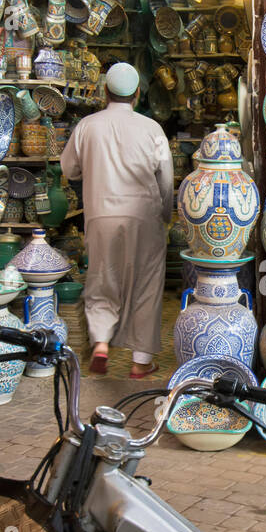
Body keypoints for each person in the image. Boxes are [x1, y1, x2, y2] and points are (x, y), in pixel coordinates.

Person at [60, 62, 173, 378]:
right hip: (144, 217)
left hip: (101, 216)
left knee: (102, 279)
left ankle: (101, 343)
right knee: (146, 286)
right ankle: (140, 362)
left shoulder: (87, 126)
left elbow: (68, 169)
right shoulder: (153, 129)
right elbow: (165, 179)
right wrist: (166, 214)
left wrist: (90, 169)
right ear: (137, 94)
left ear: (104, 92)